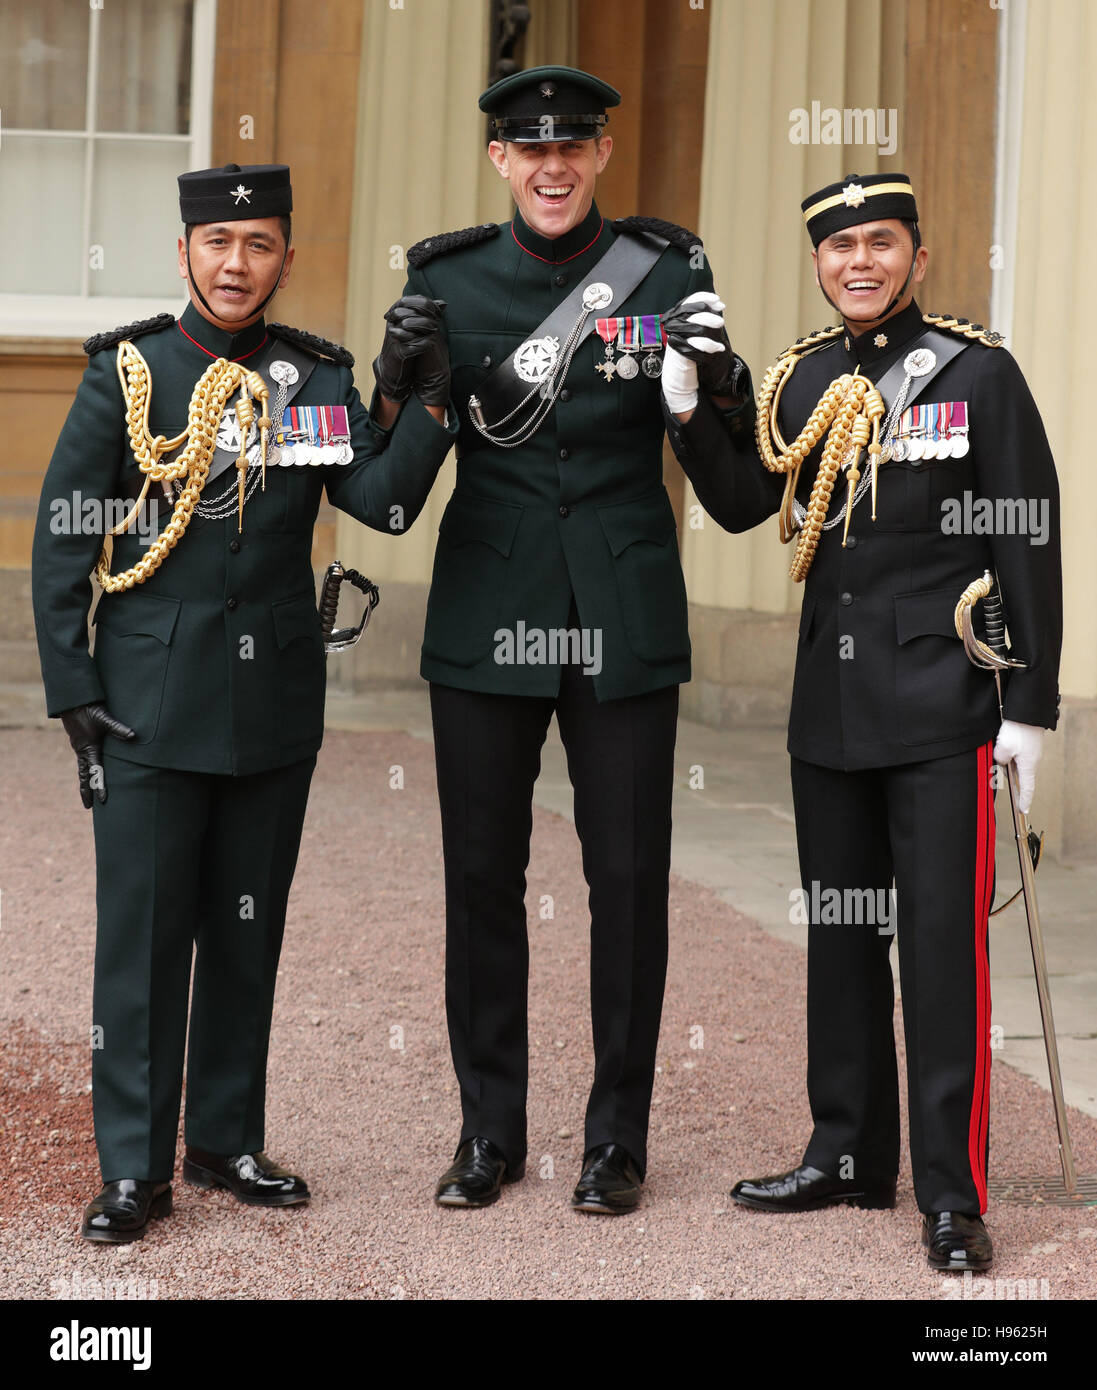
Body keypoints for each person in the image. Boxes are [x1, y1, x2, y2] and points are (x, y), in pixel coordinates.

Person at [31, 161, 455, 1243]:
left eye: (258, 244)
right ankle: (132, 1168)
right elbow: (67, 529)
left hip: (271, 704)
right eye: (218, 245)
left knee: (243, 931)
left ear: (284, 259)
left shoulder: (315, 378)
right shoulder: (130, 372)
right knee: (141, 941)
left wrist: (424, 398)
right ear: (184, 253)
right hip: (147, 703)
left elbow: (384, 503)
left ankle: (224, 1140)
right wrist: (73, 685)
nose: (236, 263)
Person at [662, 172, 1062, 1270]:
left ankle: (951, 1195)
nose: (859, 263)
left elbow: (1025, 532)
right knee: (841, 940)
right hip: (828, 712)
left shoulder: (977, 374)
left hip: (941, 709)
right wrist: (690, 409)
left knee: (939, 955)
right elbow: (748, 501)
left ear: (916, 258)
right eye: (839, 248)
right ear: (818, 263)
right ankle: (844, 1151)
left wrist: (1029, 705)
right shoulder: (796, 378)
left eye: (880, 243)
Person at [371, 65, 753, 1213]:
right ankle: (488, 1133)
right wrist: (401, 391)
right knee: (482, 877)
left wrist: (712, 385)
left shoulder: (668, 269)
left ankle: (615, 1140)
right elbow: (392, 480)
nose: (551, 166)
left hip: (620, 616)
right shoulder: (444, 278)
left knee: (626, 880)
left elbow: (732, 488)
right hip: (489, 613)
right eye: (529, 150)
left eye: (572, 147)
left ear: (595, 158)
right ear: (499, 161)